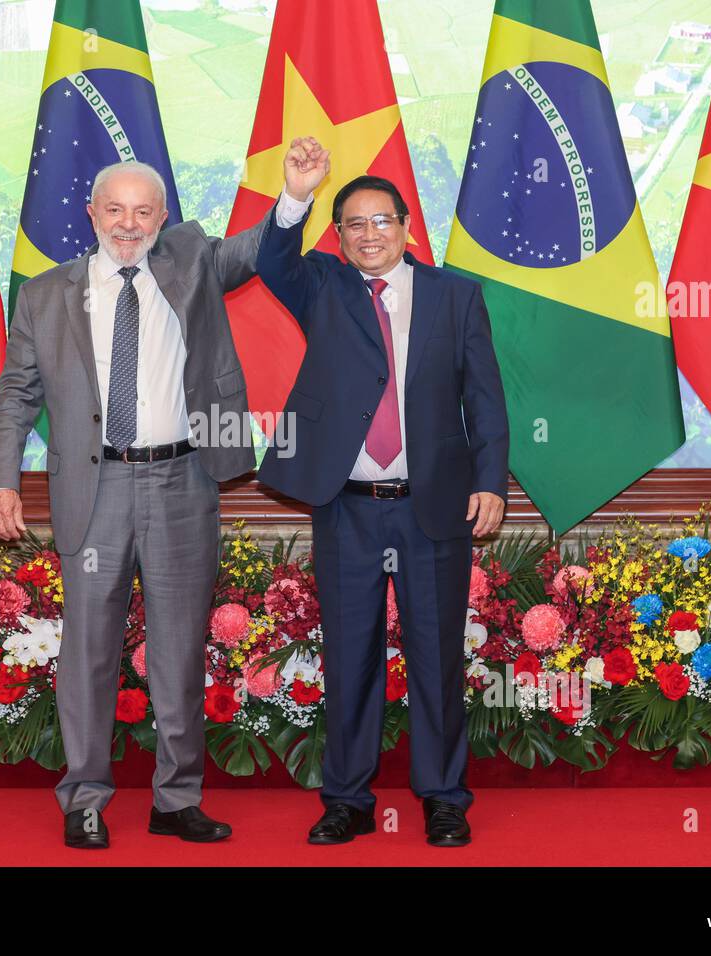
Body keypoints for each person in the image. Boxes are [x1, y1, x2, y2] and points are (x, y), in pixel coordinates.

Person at [0, 161, 265, 849]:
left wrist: (295, 194)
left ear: (162, 217)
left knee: (179, 649)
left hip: (181, 485)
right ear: (92, 213)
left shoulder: (193, 264)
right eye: (116, 210)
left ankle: (176, 798)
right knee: (88, 652)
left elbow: (259, 248)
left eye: (144, 212)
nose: (129, 225)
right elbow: (16, 394)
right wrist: (2, 480)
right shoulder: (45, 295)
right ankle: (84, 798)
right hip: (94, 489)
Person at [256, 137, 510, 847]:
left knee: (436, 657)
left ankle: (443, 798)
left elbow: (484, 401)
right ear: (339, 237)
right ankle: (347, 799)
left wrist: (491, 481)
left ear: (405, 227)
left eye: (382, 221)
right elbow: (270, 259)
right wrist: (298, 194)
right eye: (355, 225)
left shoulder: (454, 295)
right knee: (350, 654)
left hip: (433, 507)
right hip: (348, 509)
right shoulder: (323, 286)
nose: (370, 235)